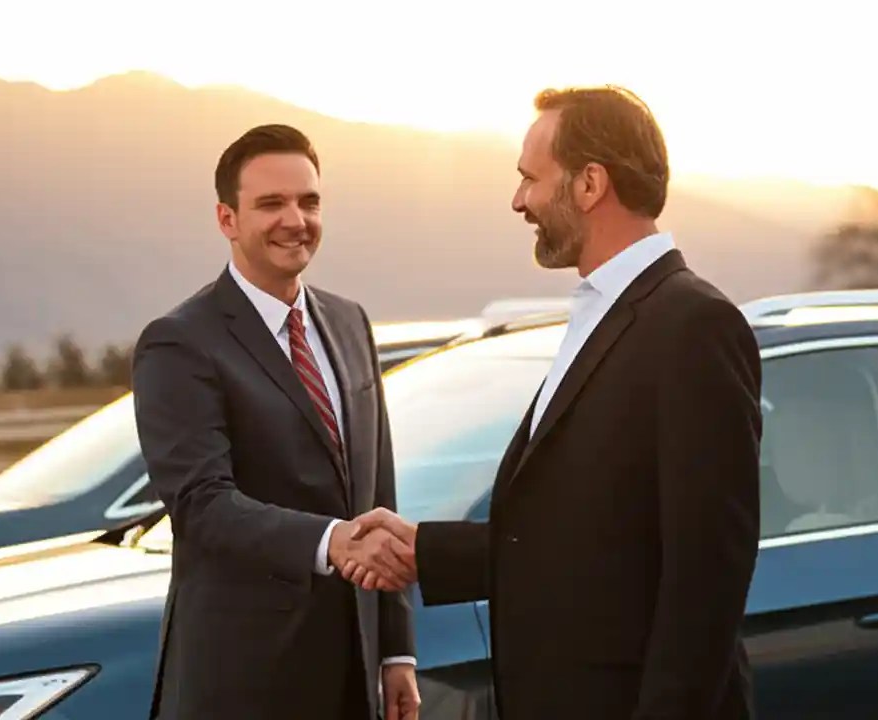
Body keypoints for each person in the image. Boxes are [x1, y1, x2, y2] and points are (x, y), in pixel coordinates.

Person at [347, 87, 763, 718]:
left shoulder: (693, 325)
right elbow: (583, 541)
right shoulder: (604, 314)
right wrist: (423, 549)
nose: (519, 201)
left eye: (530, 180)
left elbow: (707, 572)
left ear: (590, 183)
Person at [132, 124, 419, 720]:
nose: (296, 219)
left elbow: (376, 490)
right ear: (227, 219)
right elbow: (202, 505)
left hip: (355, 673)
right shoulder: (180, 342)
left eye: (309, 201)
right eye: (271, 204)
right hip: (245, 684)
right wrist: (329, 542)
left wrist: (395, 651)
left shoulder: (349, 322)